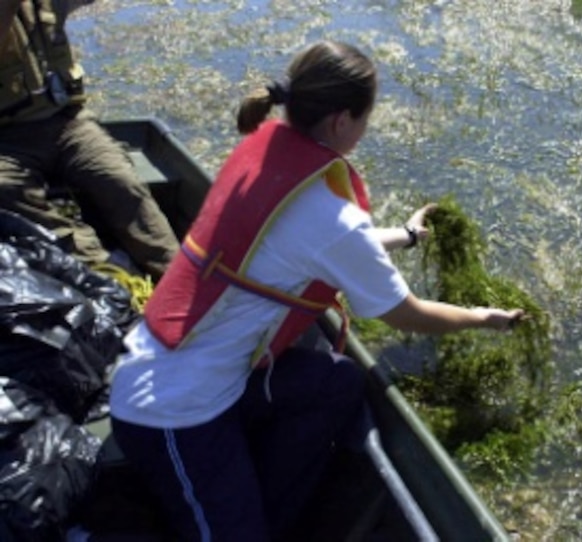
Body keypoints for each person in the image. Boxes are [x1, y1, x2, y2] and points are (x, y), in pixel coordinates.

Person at [108, 40, 524, 541]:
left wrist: (408, 236)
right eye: (367, 118)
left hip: (198, 376)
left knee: (337, 382)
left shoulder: (266, 152)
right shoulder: (331, 216)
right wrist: (483, 317)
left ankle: (261, 510)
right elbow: (403, 312)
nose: (366, 130)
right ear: (342, 121)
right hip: (170, 412)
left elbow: (319, 242)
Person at [0, 0, 179, 281]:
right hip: (7, 139)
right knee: (7, 190)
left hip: (67, 123)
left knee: (120, 182)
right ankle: (107, 274)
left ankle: (178, 277)